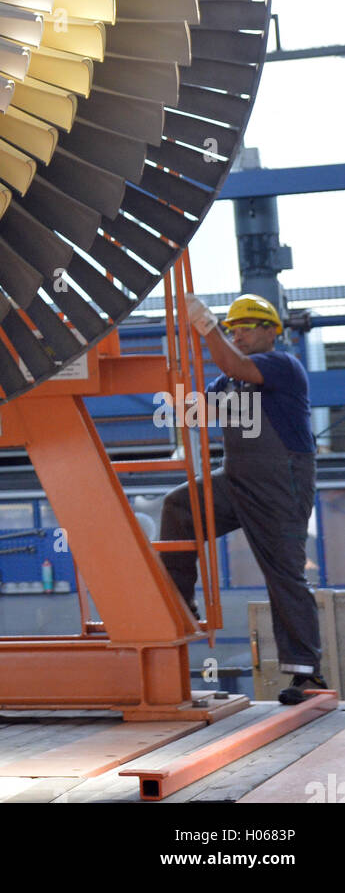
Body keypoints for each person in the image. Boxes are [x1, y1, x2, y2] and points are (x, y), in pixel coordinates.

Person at [159, 292, 326, 705]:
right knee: (179, 506)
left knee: (283, 573)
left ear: (273, 332)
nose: (238, 334)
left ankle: (308, 675)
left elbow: (232, 362)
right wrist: (174, 379)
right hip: (237, 480)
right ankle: (180, 604)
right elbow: (197, 412)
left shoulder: (282, 366)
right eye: (233, 328)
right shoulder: (230, 380)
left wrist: (207, 327)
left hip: (280, 485)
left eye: (247, 327)